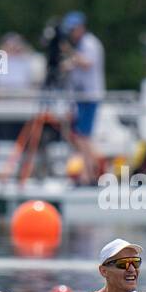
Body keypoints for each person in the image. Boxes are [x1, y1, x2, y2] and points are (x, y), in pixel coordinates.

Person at [59, 11, 104, 183]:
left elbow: (86, 63)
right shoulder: (80, 46)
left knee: (83, 136)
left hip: (90, 97)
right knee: (77, 135)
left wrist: (69, 52)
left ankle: (92, 172)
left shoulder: (90, 44)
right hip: (80, 97)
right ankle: (90, 170)